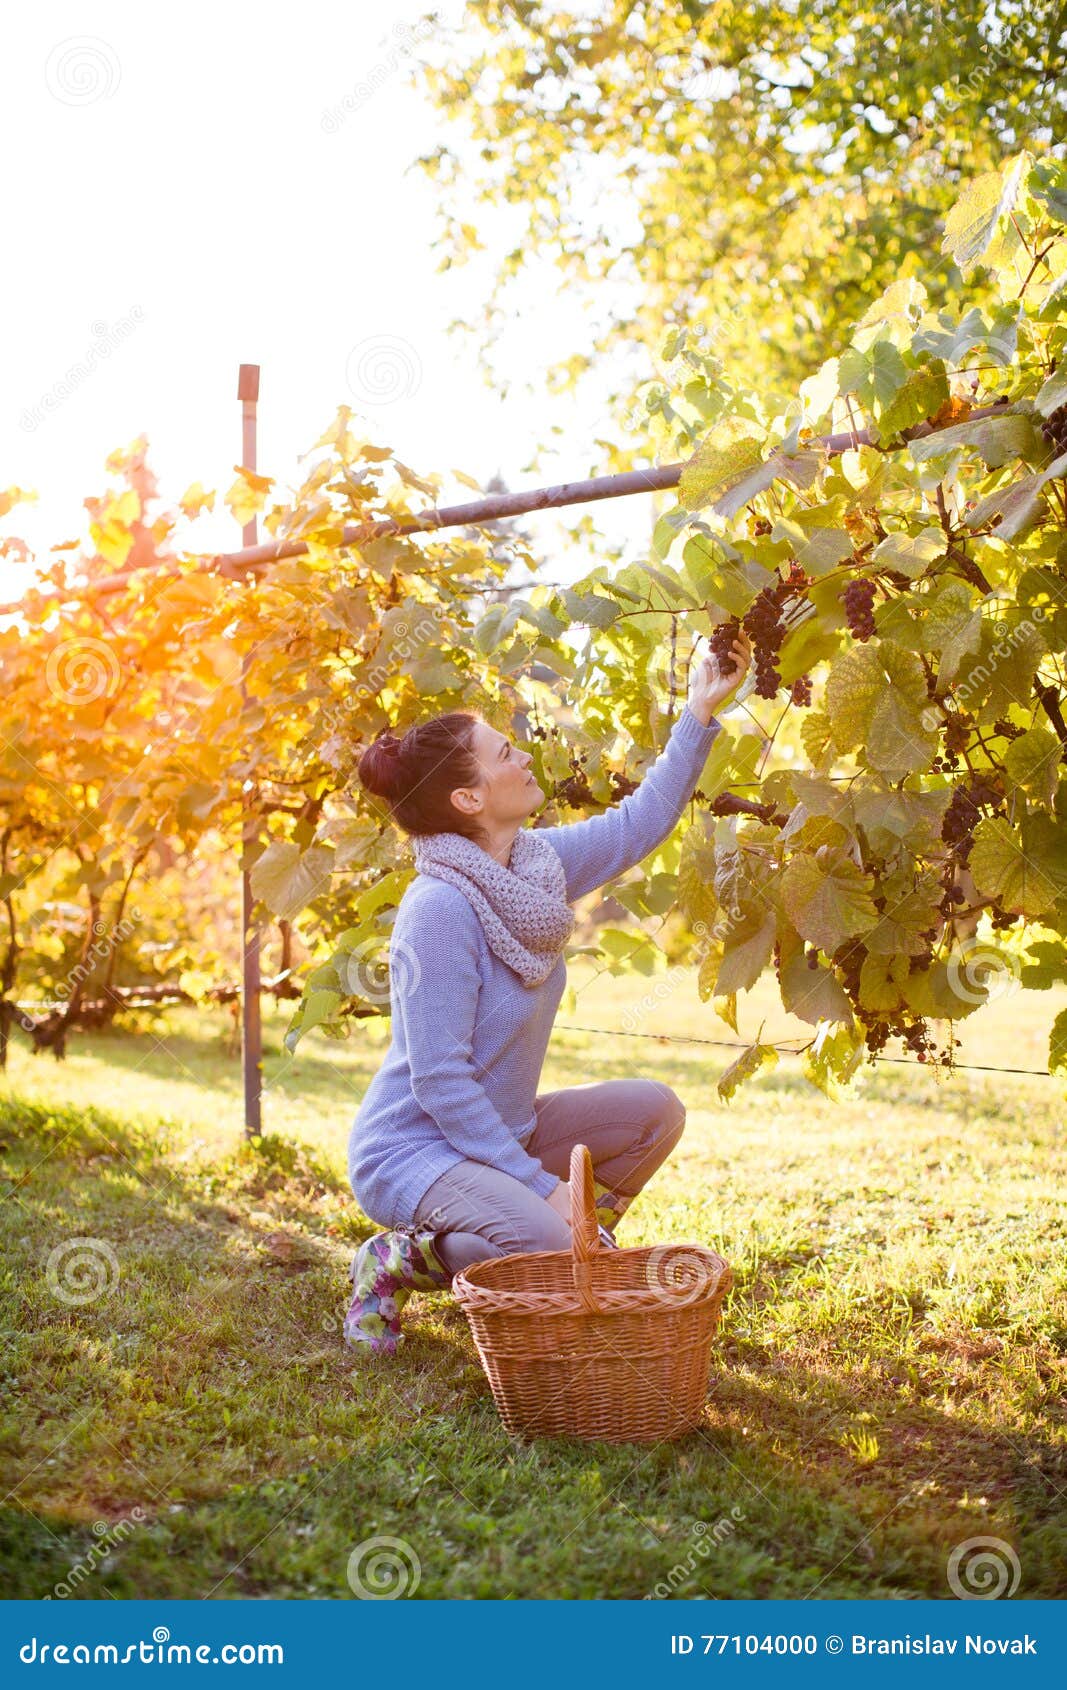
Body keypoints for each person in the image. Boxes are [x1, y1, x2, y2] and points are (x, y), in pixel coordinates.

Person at [343, 626, 752, 1354]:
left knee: (652, 1114)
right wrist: (539, 1188)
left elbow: (638, 825)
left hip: (501, 1132)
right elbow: (439, 1080)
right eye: (505, 753)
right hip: (415, 1150)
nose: (524, 753)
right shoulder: (437, 909)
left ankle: (564, 1249)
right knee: (541, 1237)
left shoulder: (534, 866)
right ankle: (403, 1257)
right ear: (468, 797)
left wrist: (698, 712)